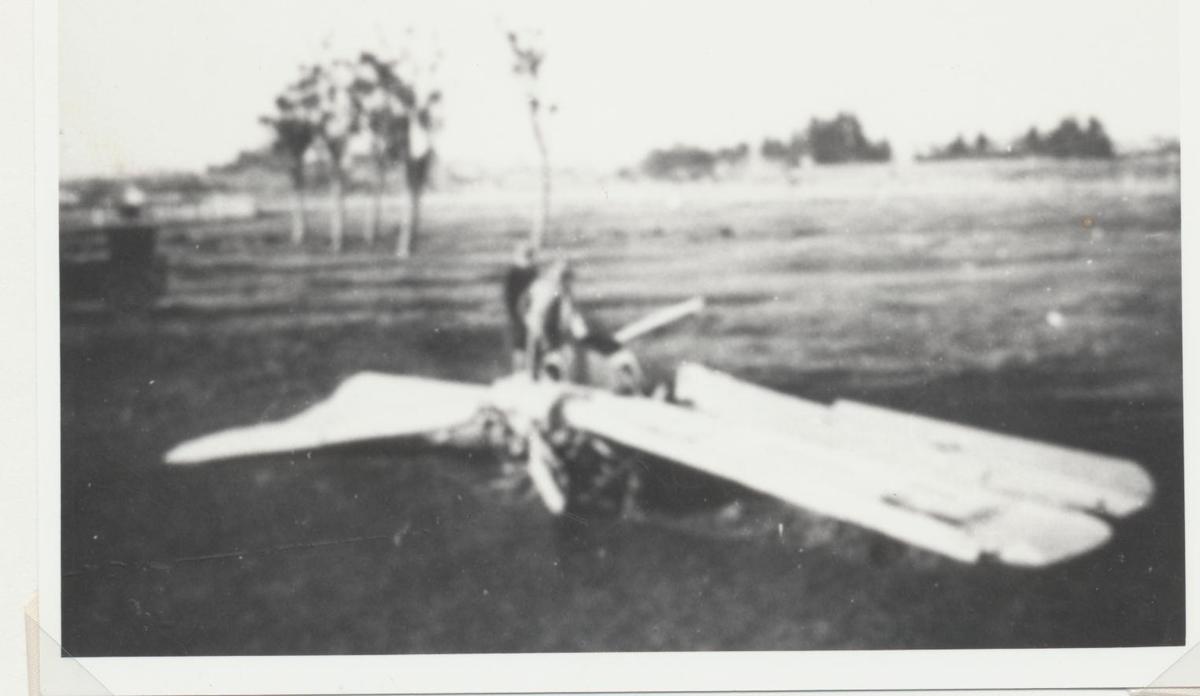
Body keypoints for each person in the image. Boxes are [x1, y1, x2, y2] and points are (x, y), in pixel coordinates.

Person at [502, 243, 539, 371]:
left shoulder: (532, 271)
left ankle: (528, 371)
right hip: (519, 314)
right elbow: (510, 297)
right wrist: (517, 315)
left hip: (529, 312)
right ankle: (519, 372)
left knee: (528, 344)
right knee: (520, 345)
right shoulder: (515, 273)